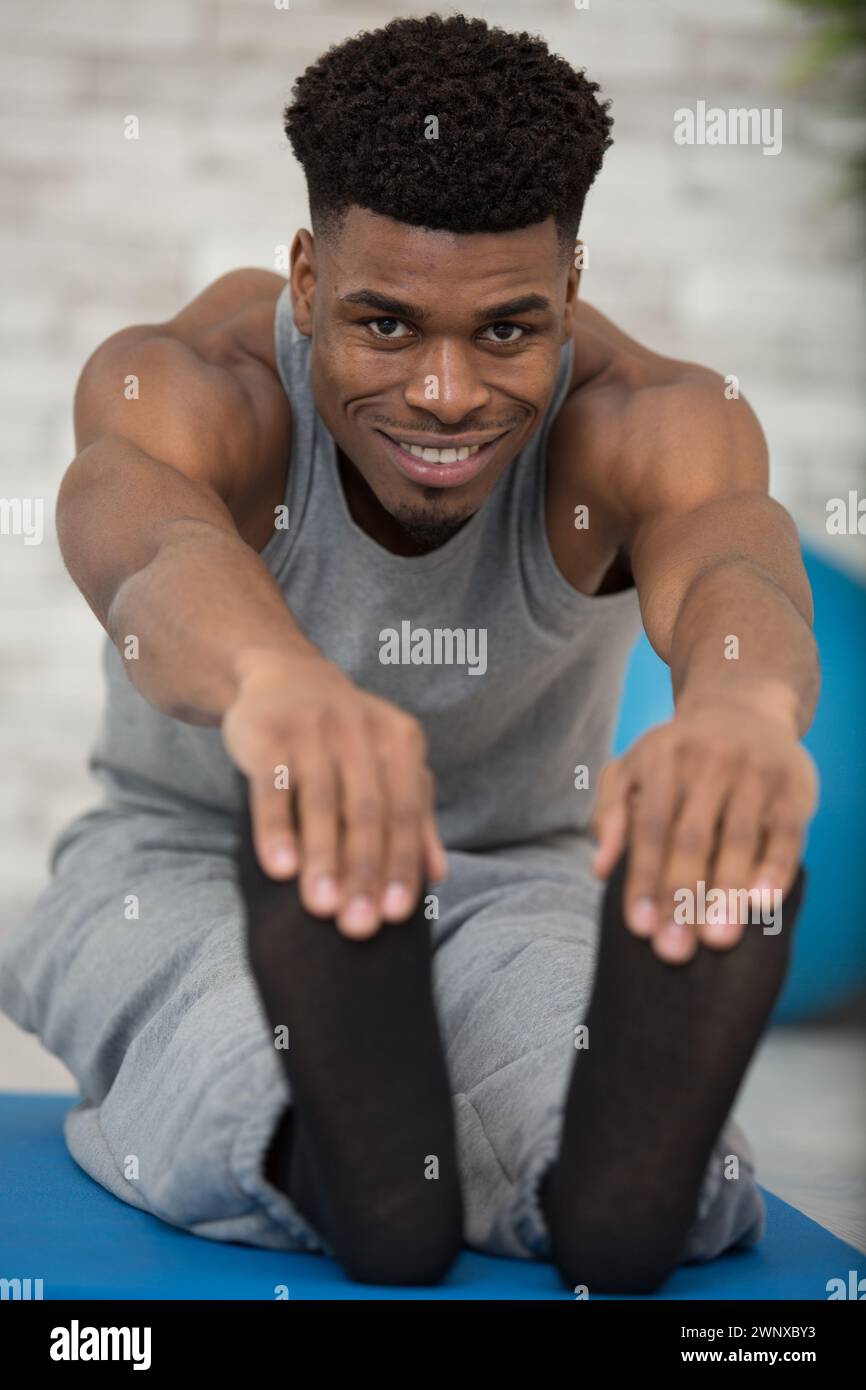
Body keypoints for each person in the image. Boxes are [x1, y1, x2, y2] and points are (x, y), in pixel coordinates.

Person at [0, 13, 817, 1292]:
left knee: (592, 1100)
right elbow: (149, 551)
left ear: (570, 291)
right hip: (187, 857)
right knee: (225, 1051)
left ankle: (603, 1200)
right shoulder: (192, 384)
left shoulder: (650, 422)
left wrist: (744, 711)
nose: (446, 393)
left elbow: (734, 561)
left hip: (513, 879)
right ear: (307, 281)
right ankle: (349, 1151)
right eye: (386, 325)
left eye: (504, 331)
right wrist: (278, 689)